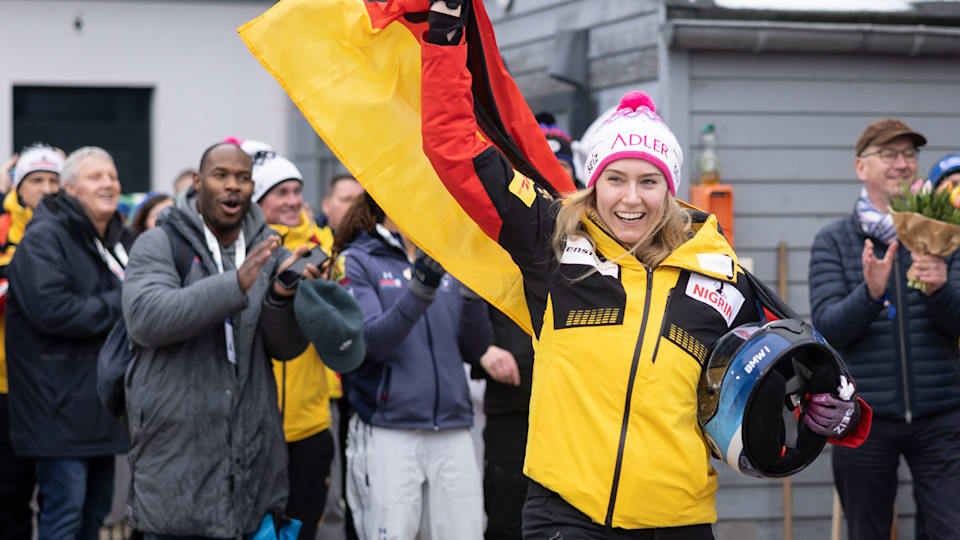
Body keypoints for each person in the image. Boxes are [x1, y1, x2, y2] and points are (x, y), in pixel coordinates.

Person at [413, 3, 868, 537]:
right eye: (615, 179)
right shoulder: (552, 240)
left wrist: (837, 412)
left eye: (649, 182)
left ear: (670, 191)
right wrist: (444, 35)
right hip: (567, 516)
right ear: (592, 184)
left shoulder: (720, 277)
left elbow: (801, 370)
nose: (631, 199)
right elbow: (456, 149)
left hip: (677, 521)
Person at [121, 142, 321, 539]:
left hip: (253, 467)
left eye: (243, 178)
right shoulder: (159, 244)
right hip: (176, 466)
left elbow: (284, 349)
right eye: (221, 176)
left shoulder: (267, 249)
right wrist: (235, 283)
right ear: (198, 182)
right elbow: (147, 319)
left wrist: (283, 296)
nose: (233, 187)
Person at [809, 119, 960, 540]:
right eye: (889, 155)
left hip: (942, 415)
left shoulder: (945, 235)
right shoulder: (834, 241)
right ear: (862, 168)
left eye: (909, 155)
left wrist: (939, 290)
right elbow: (828, 330)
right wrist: (870, 294)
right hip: (863, 417)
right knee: (868, 531)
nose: (902, 164)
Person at [333, 192, 491, 540]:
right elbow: (371, 343)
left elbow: (475, 348)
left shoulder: (447, 254)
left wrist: (474, 294)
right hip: (389, 427)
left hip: (452, 426)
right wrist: (420, 290)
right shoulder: (356, 260)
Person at [5, 146, 132, 540]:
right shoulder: (45, 237)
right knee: (65, 519)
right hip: (56, 408)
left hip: (100, 405)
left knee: (94, 519)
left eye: (112, 176)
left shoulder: (118, 237)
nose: (108, 184)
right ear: (70, 188)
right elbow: (54, 310)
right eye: (97, 177)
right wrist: (128, 303)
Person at [253, 151, 336, 540]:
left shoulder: (326, 245)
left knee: (303, 528)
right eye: (280, 192)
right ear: (258, 200)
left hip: (309, 421)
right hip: (255, 426)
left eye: (296, 190)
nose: (290, 200)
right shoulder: (245, 248)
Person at [0, 142, 63, 540]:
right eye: (35, 179)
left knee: (63, 498)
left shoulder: (80, 229)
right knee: (9, 494)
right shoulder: (3, 228)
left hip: (60, 387)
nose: (45, 188)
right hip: (6, 384)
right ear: (18, 189)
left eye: (54, 180)